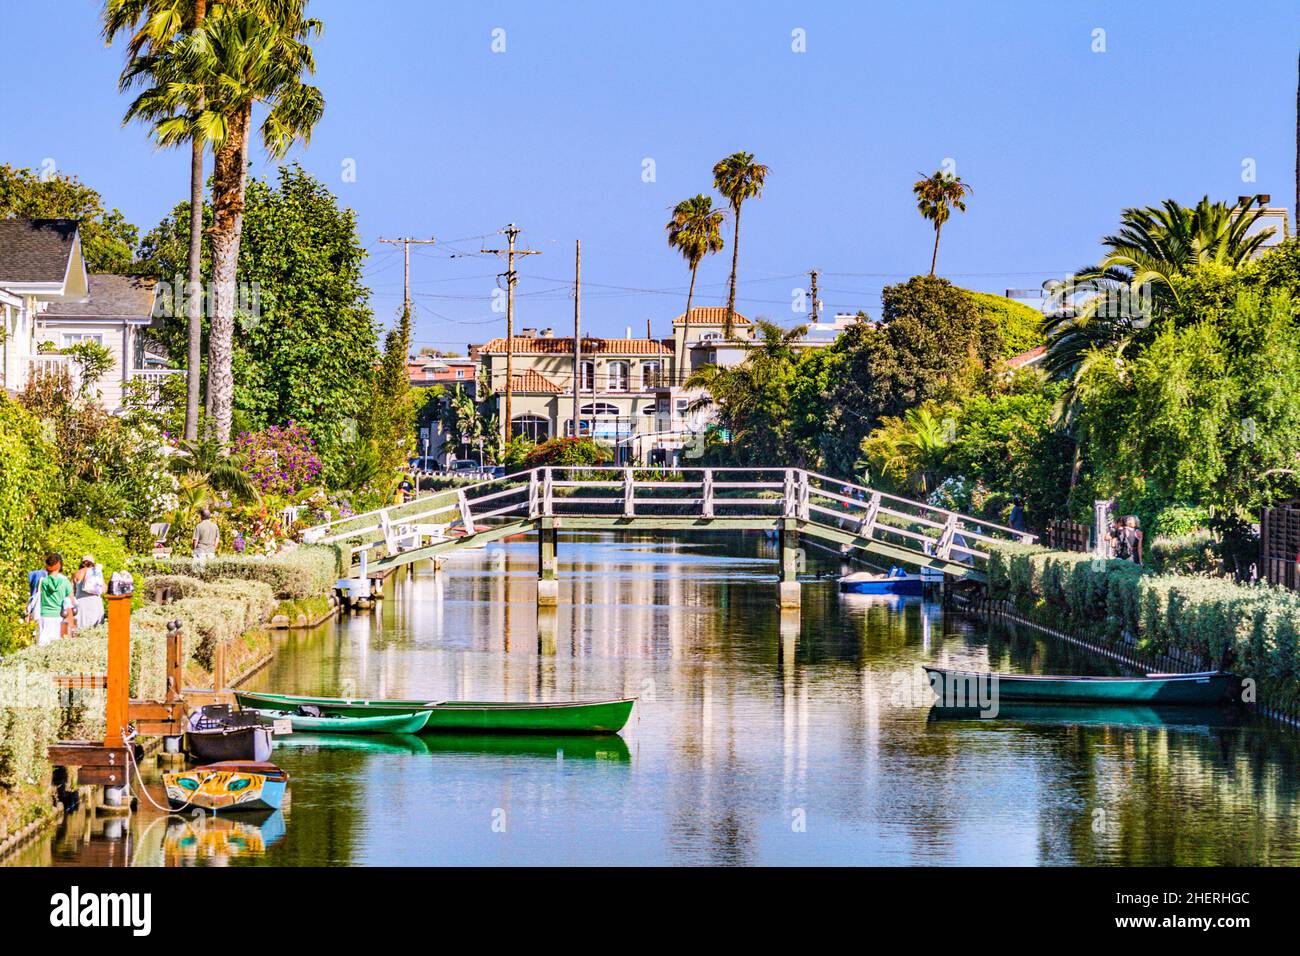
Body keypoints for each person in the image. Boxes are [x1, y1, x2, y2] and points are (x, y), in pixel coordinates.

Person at [35, 553, 72, 647]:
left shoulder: (42, 581)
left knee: (42, 646)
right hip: (59, 618)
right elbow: (71, 602)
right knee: (57, 647)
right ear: (59, 566)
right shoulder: (65, 582)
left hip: (44, 616)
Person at [72, 555, 106, 629]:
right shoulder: (97, 573)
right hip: (96, 603)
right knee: (96, 629)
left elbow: (71, 591)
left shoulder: (76, 574)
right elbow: (104, 589)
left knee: (80, 628)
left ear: (82, 563)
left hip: (81, 603)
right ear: (93, 563)